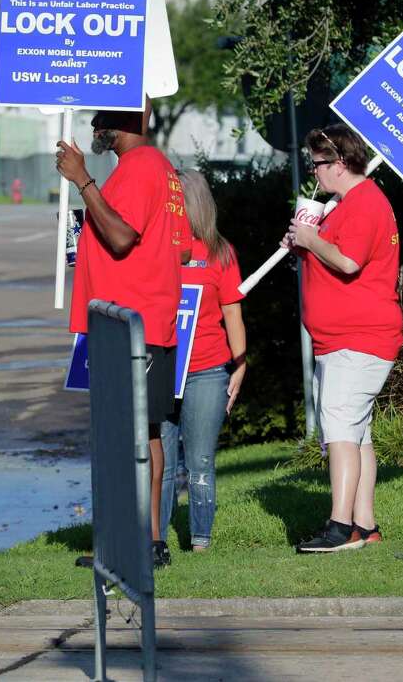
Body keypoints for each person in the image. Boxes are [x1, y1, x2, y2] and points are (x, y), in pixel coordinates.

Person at [56, 103, 191, 568]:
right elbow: (181, 243)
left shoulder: (140, 166)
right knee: (143, 432)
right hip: (139, 320)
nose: (93, 127)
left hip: (130, 323)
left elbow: (120, 236)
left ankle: (130, 539)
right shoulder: (160, 170)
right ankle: (146, 538)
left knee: (127, 436)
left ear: (120, 126)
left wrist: (82, 179)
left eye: (100, 120)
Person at [283, 124, 403, 553]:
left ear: (337, 164)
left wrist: (312, 239)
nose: (313, 173)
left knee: (338, 431)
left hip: (358, 338)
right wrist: (304, 244)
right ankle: (364, 523)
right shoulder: (345, 205)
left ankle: (340, 526)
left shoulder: (364, 202)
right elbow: (333, 256)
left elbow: (350, 262)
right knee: (356, 433)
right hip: (341, 338)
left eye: (316, 164)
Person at [157, 169, 246, 552]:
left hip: (207, 370)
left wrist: (240, 366)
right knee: (158, 463)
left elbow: (233, 314)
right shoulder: (155, 248)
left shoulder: (220, 253)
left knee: (199, 460)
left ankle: (200, 540)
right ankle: (154, 538)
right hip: (160, 367)